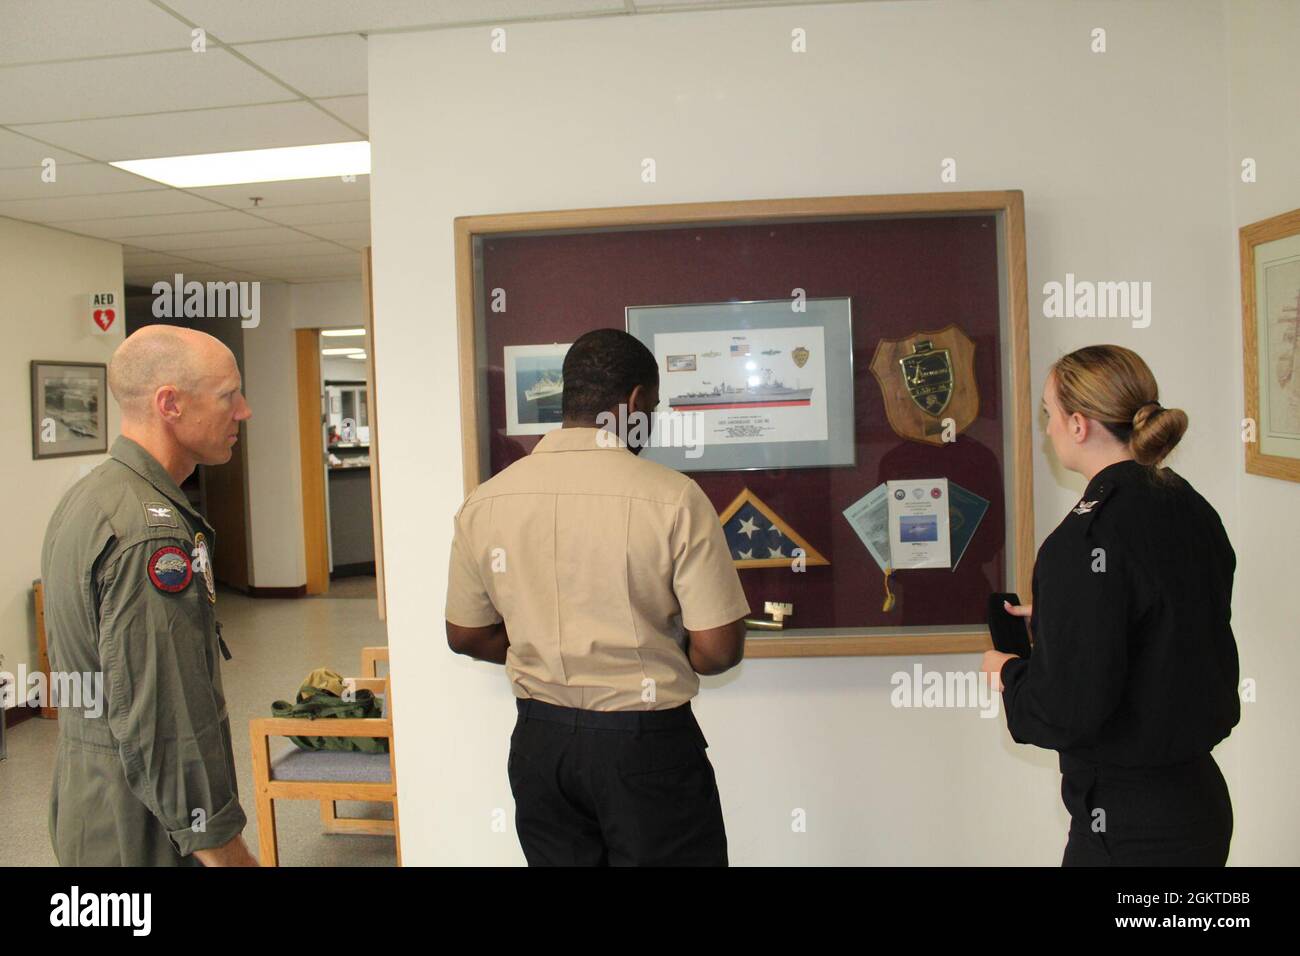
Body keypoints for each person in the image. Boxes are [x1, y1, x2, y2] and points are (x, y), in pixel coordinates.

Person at [445, 328, 750, 866]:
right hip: (646, 747)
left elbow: (465, 634)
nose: (650, 423)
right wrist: (656, 650)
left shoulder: (486, 502)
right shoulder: (674, 499)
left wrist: (536, 647)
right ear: (633, 402)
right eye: (651, 408)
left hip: (541, 747)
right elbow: (719, 650)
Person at [982, 344, 1240, 866]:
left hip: (1129, 831)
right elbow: (1162, 612)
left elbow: (1067, 711)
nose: (1048, 429)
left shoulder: (1083, 540)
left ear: (1079, 425)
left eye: (1049, 415)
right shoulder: (1189, 506)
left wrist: (1009, 673)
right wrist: (1065, 613)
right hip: (1199, 807)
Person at [42, 325, 258, 866]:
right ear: (170, 405)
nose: (244, 412)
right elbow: (167, 719)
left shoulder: (92, 496)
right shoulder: (150, 534)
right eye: (228, 395)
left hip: (92, 802)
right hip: (145, 826)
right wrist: (228, 854)